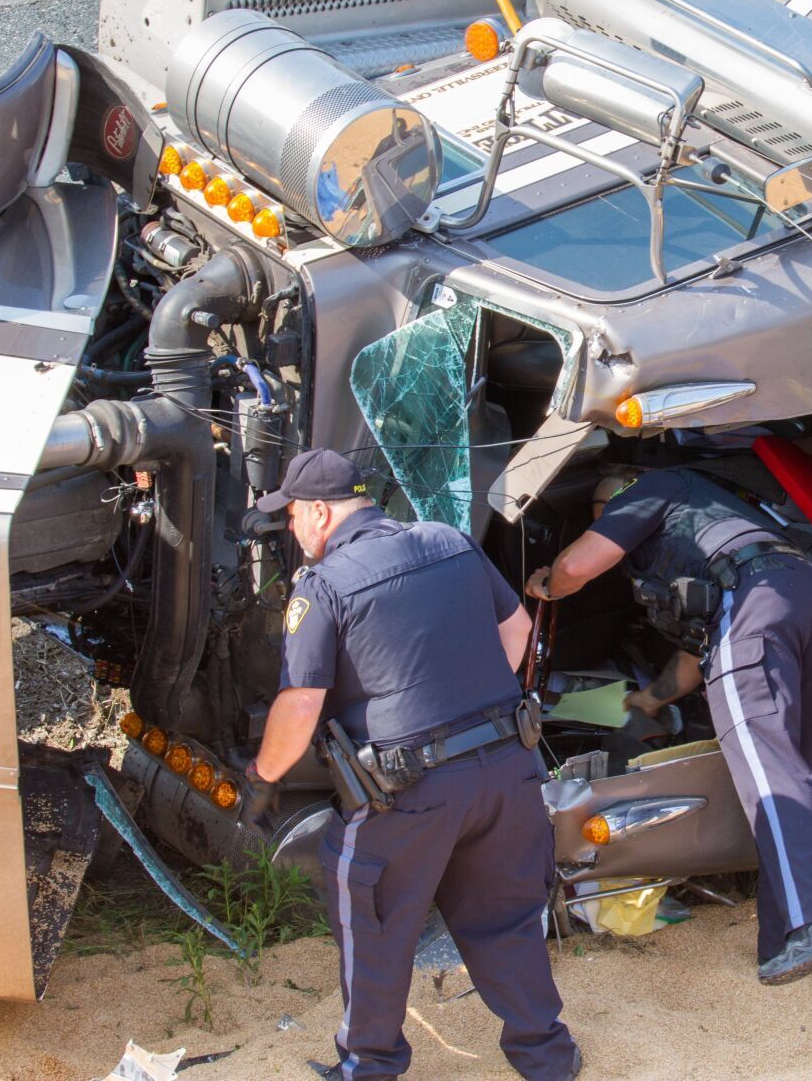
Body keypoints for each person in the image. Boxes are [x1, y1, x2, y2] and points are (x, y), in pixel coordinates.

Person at [243, 448, 580, 1081]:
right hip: (508, 769)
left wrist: (263, 779)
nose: (290, 530)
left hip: (408, 790)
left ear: (319, 511)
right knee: (506, 917)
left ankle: (368, 1067)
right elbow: (518, 633)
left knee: (372, 919)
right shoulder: (448, 541)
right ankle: (546, 1056)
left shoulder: (324, 586)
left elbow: (300, 704)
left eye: (290, 516)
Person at [526, 464, 812, 985]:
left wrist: (548, 584)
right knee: (792, 767)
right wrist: (647, 699)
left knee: (763, 765)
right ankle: (789, 939)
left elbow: (579, 563)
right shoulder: (708, 526)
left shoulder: (647, 490)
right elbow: (693, 660)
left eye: (604, 516)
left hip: (756, 606)